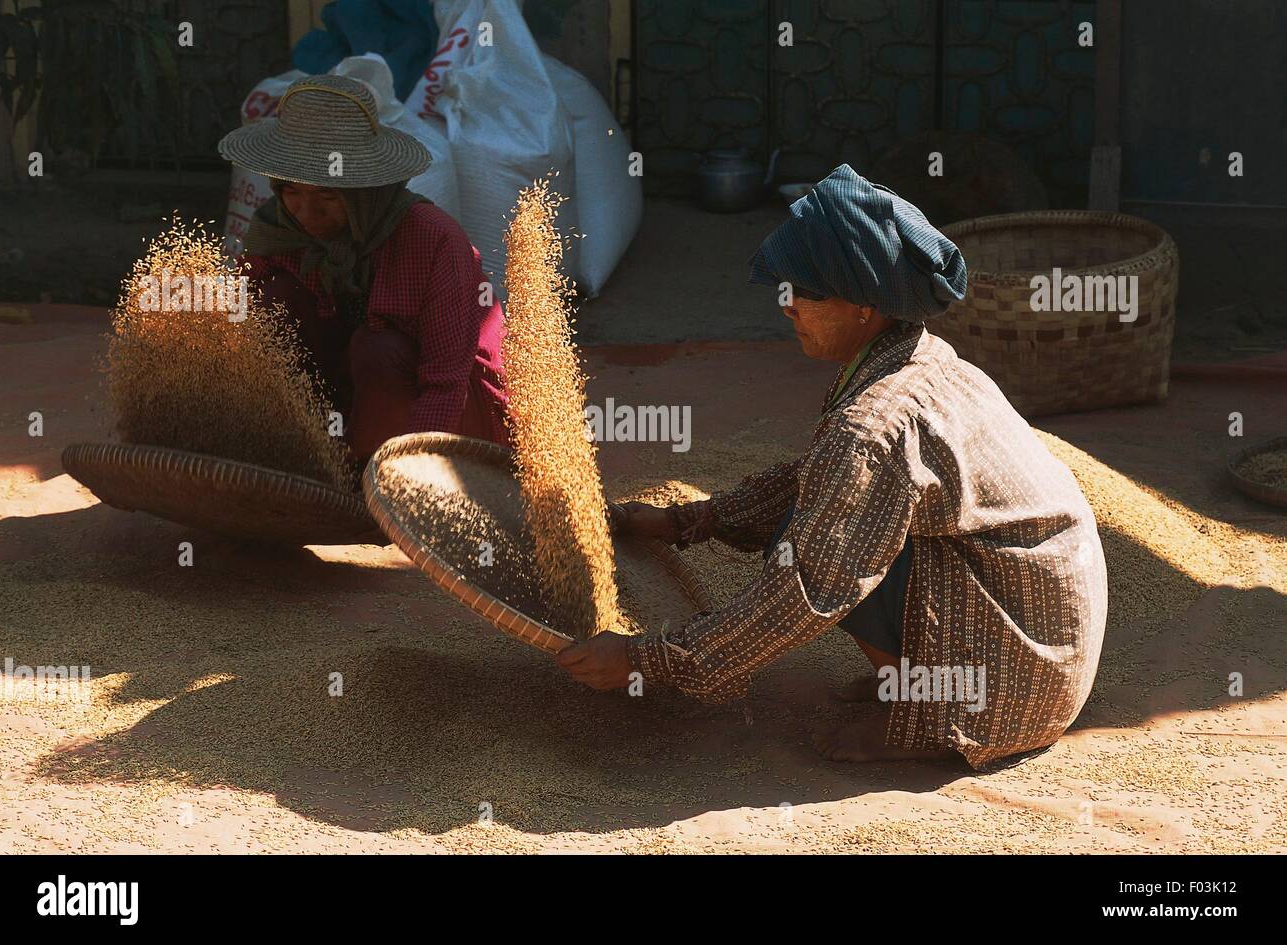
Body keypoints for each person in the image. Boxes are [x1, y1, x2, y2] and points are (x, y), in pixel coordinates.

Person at [557, 165, 1109, 770]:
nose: (787, 306)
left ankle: (925, 720)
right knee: (824, 513)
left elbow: (798, 598)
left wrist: (643, 659)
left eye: (806, 293)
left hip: (1012, 687)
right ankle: (912, 680)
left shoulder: (876, 424)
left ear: (865, 308)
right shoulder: (918, 355)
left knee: (810, 553)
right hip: (1042, 645)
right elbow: (815, 482)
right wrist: (685, 522)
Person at [217, 75, 508, 466]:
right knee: (272, 301)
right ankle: (303, 457)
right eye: (292, 193)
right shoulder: (279, 231)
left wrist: (414, 476)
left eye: (328, 195)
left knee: (377, 347)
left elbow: (446, 383)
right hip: (356, 403)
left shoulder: (432, 241)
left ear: (361, 189)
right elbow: (240, 331)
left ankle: (367, 475)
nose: (308, 214)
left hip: (456, 419)